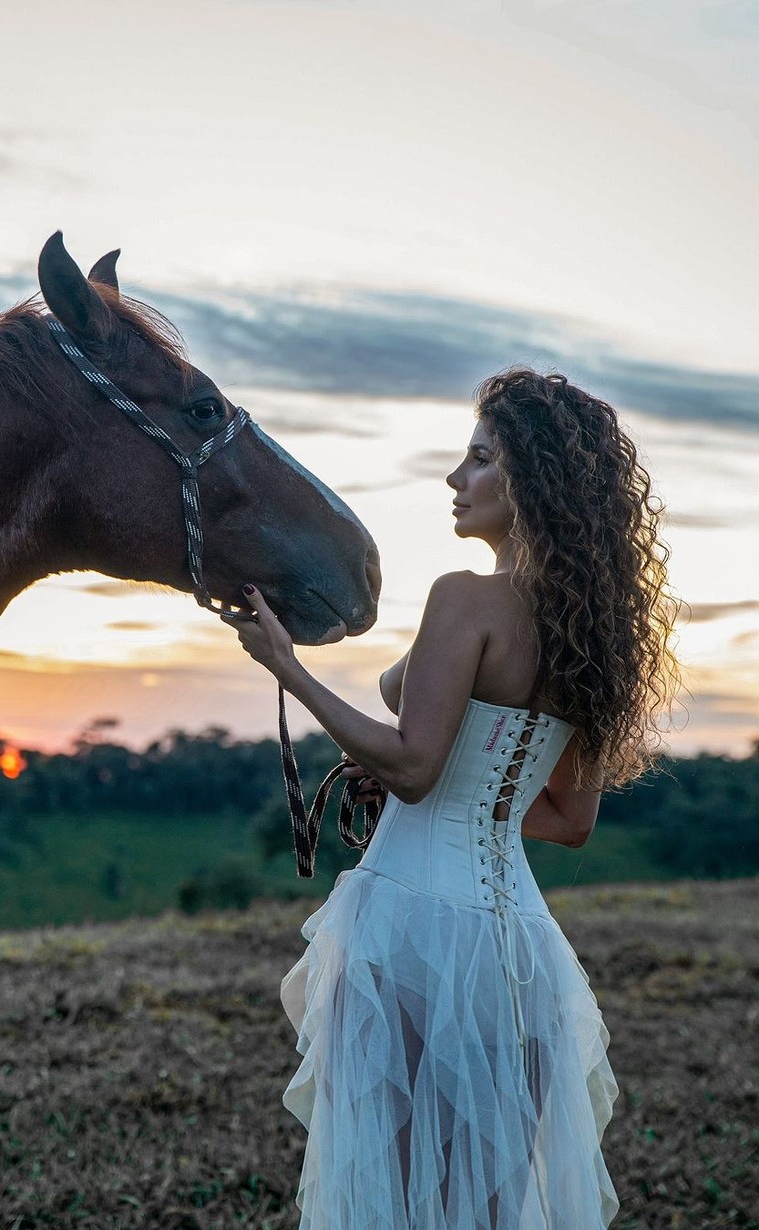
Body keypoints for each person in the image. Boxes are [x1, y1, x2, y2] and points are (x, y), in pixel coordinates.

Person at [224, 368, 681, 1229]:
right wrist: (430, 790)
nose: (453, 479)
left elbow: (416, 765)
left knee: (394, 1196)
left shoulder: (464, 598)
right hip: (526, 958)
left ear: (531, 482)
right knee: (496, 1205)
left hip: (411, 930)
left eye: (478, 459)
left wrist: (289, 668)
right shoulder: (592, 634)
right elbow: (568, 821)